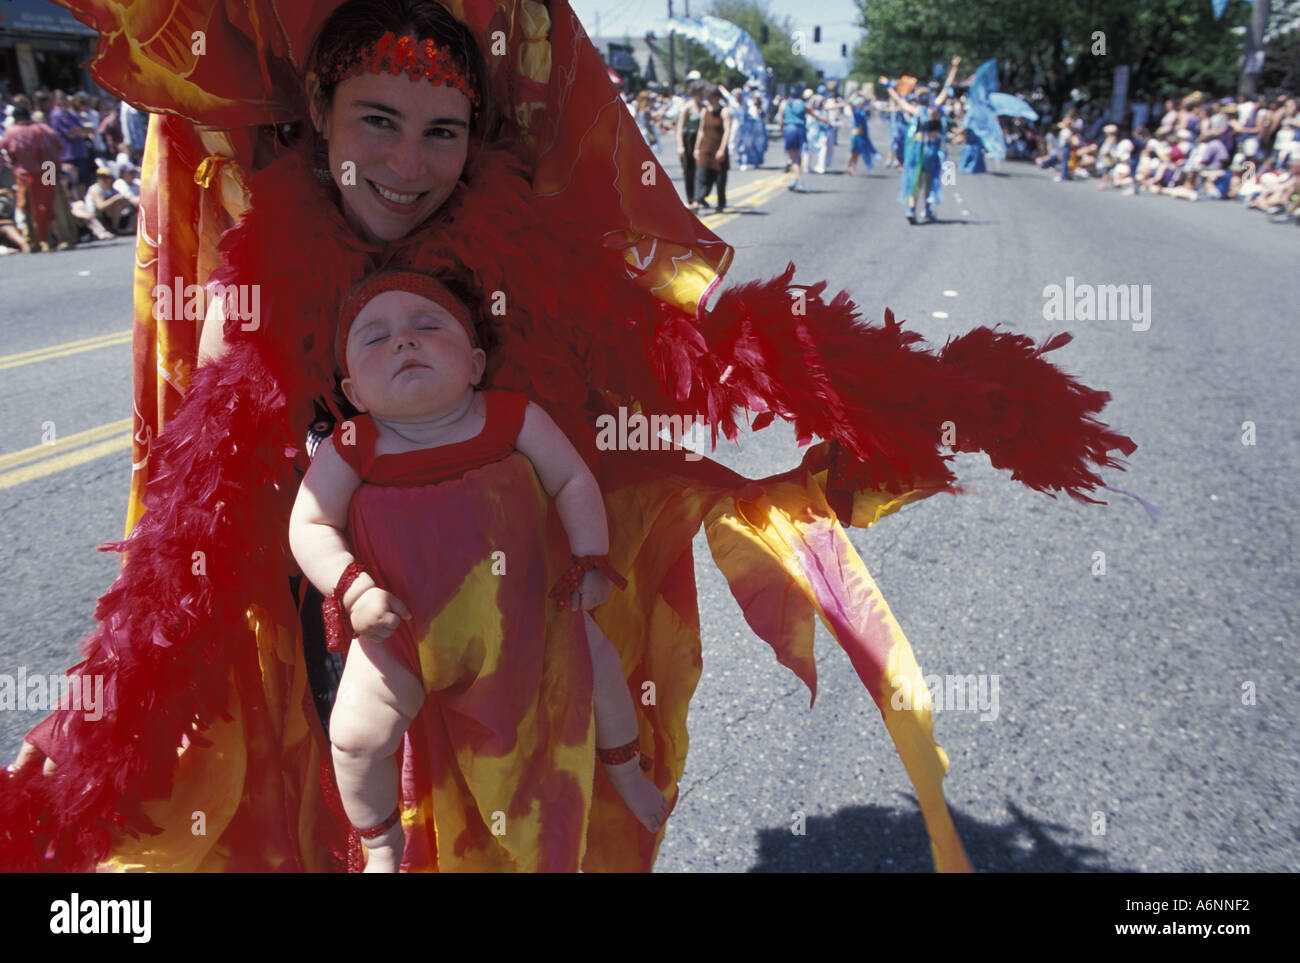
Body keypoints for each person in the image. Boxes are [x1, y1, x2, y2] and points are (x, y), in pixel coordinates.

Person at [4, 0, 1137, 875]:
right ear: (322, 118)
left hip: (511, 616)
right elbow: (211, 478)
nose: (407, 165)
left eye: (442, 131)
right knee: (343, 785)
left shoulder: (523, 262)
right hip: (343, 612)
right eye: (378, 124)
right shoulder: (253, 265)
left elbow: (685, 352)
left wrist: (912, 395)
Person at [290, 268, 670, 871]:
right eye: (376, 338)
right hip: (405, 634)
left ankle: (625, 771)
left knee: (600, 675)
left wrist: (590, 558)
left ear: (473, 364)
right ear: (354, 392)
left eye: (427, 326)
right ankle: (382, 842)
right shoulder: (352, 444)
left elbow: (572, 480)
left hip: (530, 615)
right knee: (356, 739)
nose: (404, 342)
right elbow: (309, 526)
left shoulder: (510, 417)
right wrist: (353, 588)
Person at [886, 56, 961, 224]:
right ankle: (925, 209)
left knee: (915, 180)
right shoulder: (935, 108)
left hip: (916, 149)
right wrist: (954, 67)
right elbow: (947, 87)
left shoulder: (915, 110)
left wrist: (888, 87)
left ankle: (912, 210)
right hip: (931, 150)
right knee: (928, 179)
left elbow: (898, 100)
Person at [0, 104, 68, 251]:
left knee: (30, 207)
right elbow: (60, 147)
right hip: (48, 168)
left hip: (27, 173)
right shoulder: (43, 128)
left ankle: (36, 241)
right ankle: (63, 237)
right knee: (53, 203)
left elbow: (9, 154)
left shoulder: (11, 132)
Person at [692, 86, 731, 212]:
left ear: (717, 97)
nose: (708, 100)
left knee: (720, 178)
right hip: (705, 147)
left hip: (718, 147)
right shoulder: (705, 111)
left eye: (711, 97)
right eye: (707, 97)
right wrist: (697, 148)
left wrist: (722, 149)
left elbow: (727, 131)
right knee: (700, 174)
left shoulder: (725, 111)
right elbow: (701, 130)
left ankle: (721, 202)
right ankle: (697, 201)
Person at [675, 80, 706, 205]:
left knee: (702, 170)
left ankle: (700, 195)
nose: (702, 96)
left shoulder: (704, 107)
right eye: (700, 93)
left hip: (702, 140)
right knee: (689, 170)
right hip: (689, 139)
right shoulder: (688, 107)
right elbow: (680, 127)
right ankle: (691, 197)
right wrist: (680, 145)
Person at [85, 165, 135, 233]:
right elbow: (100, 206)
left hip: (110, 216)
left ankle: (118, 227)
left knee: (121, 203)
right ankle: (114, 229)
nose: (103, 179)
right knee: (116, 203)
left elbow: (125, 203)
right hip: (95, 216)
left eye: (106, 177)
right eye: (100, 177)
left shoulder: (112, 189)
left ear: (111, 178)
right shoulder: (95, 189)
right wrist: (115, 198)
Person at [781, 87, 811, 191]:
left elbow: (781, 120)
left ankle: (800, 183)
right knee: (797, 157)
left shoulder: (784, 103)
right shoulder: (803, 104)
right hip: (801, 130)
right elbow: (814, 113)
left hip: (789, 130)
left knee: (793, 159)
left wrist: (782, 132)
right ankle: (794, 181)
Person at [845, 91, 878, 175]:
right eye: (860, 102)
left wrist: (864, 93)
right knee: (852, 152)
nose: (861, 103)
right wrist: (854, 95)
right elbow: (848, 103)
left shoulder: (863, 111)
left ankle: (853, 168)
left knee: (857, 153)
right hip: (855, 135)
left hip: (862, 135)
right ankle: (848, 167)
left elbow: (873, 99)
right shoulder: (854, 111)